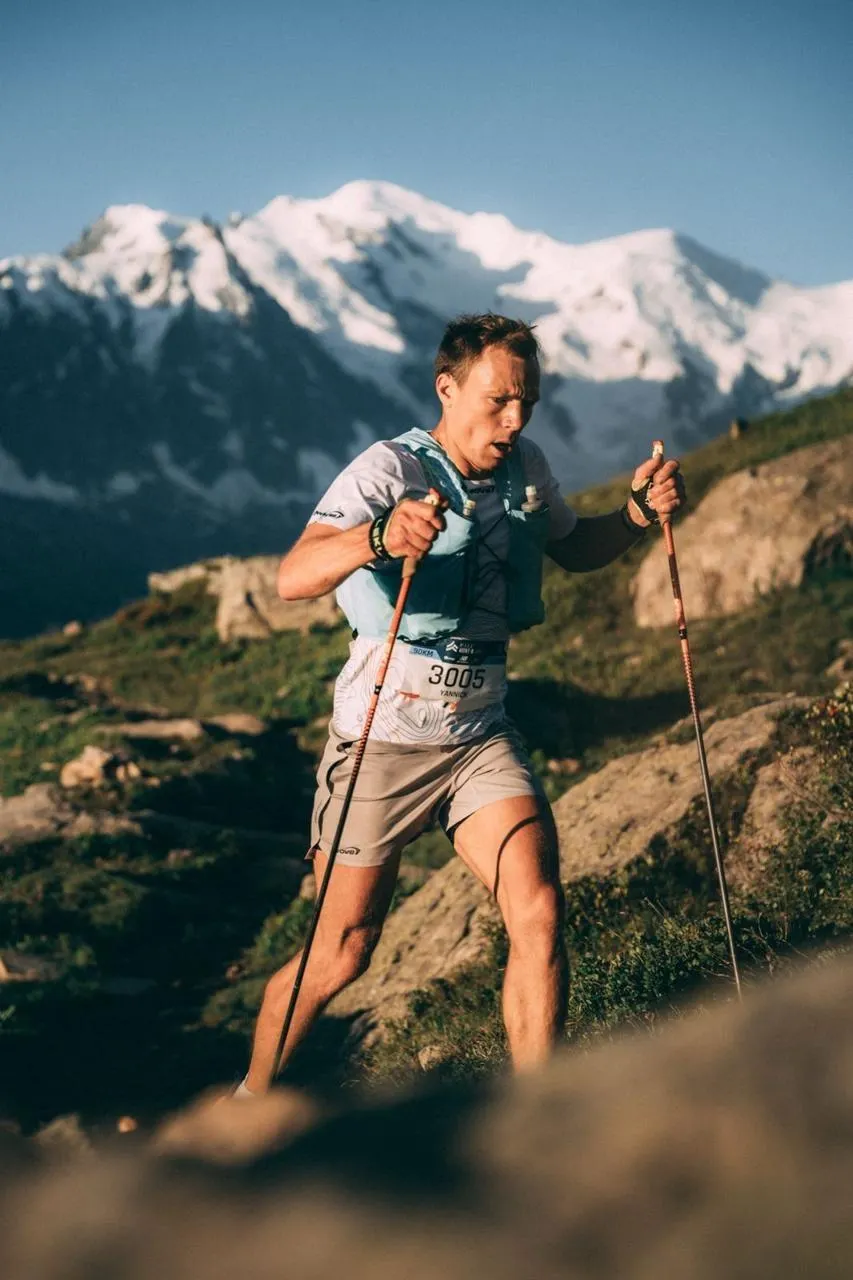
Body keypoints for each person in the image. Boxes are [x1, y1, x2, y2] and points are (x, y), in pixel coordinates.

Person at [237, 313, 684, 1095]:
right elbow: (293, 576)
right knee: (342, 951)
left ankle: (536, 1116)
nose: (515, 419)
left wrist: (637, 515)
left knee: (537, 911)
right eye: (498, 399)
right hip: (381, 737)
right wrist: (378, 536)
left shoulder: (526, 468)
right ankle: (249, 1104)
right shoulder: (387, 469)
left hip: (478, 736)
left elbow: (575, 547)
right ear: (447, 388)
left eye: (527, 402)